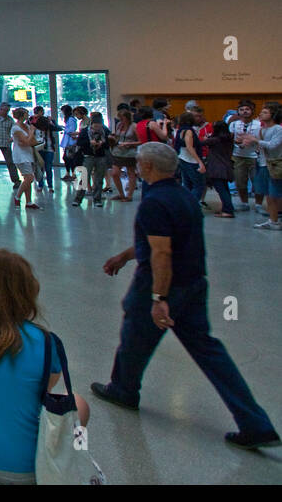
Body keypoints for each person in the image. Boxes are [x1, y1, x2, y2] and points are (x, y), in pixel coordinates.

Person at [91, 143, 279, 449]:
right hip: (193, 283)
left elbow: (162, 252)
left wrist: (158, 298)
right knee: (209, 351)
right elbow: (162, 242)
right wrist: (126, 256)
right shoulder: (183, 196)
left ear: (149, 167)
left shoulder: (154, 202)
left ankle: (123, 390)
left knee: (135, 336)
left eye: (139, 163)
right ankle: (255, 422)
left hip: (164, 285)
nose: (136, 167)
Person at [0, 249, 91, 483]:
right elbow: (41, 393)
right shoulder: (46, 342)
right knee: (79, 403)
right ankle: (76, 452)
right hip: (24, 469)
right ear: (28, 292)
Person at [243, 101, 282, 230]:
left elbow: (272, 145)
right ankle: (273, 220)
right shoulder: (261, 130)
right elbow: (260, 145)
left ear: (273, 115)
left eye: (265, 112)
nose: (261, 114)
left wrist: (256, 141)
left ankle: (274, 221)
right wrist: (248, 142)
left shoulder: (278, 129)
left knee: (274, 195)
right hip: (263, 164)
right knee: (269, 195)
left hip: (275, 164)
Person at [73, 111, 112, 207]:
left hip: (101, 156)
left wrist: (102, 143)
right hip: (88, 156)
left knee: (99, 179)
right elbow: (79, 143)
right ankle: (78, 199)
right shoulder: (85, 132)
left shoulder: (105, 131)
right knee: (84, 178)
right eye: (95, 126)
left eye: (99, 126)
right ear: (92, 124)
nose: (97, 128)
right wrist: (90, 143)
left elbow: (108, 144)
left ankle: (97, 199)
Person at [228, 101, 261, 213]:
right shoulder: (233, 124)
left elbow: (263, 139)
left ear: (252, 111)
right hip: (238, 156)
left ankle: (258, 204)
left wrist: (252, 139)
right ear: (238, 111)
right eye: (242, 109)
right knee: (240, 181)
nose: (244, 111)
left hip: (254, 156)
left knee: (257, 181)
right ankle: (244, 203)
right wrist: (236, 141)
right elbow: (229, 140)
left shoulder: (259, 124)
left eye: (247, 109)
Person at [202, 120, 237, 219]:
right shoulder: (229, 139)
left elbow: (199, 143)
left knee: (221, 190)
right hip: (227, 166)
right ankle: (228, 208)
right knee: (225, 189)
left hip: (216, 168)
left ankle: (228, 210)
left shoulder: (214, 140)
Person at [9, 108, 40, 210]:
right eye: (26, 114)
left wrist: (28, 139)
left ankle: (29, 201)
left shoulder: (26, 126)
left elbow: (33, 142)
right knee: (30, 178)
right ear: (22, 115)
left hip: (28, 154)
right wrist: (31, 132)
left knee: (28, 179)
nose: (28, 115)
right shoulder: (16, 128)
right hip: (21, 156)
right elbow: (26, 141)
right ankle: (17, 197)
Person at [174, 111, 206, 201]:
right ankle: (192, 206)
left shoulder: (180, 129)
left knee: (187, 184)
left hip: (182, 158)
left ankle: (186, 205)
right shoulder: (188, 130)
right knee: (199, 186)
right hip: (191, 160)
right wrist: (199, 161)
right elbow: (189, 147)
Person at [109, 107, 139, 202]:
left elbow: (140, 141)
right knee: (114, 173)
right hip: (118, 152)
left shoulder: (134, 126)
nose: (120, 120)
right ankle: (121, 194)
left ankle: (129, 195)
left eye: (122, 118)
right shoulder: (119, 125)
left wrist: (128, 144)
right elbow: (117, 137)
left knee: (131, 173)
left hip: (130, 153)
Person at [58, 104, 77, 182]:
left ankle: (72, 173)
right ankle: (68, 173)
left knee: (69, 158)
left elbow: (71, 130)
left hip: (70, 142)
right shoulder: (69, 119)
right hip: (68, 141)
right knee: (66, 158)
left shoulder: (71, 119)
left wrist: (65, 130)